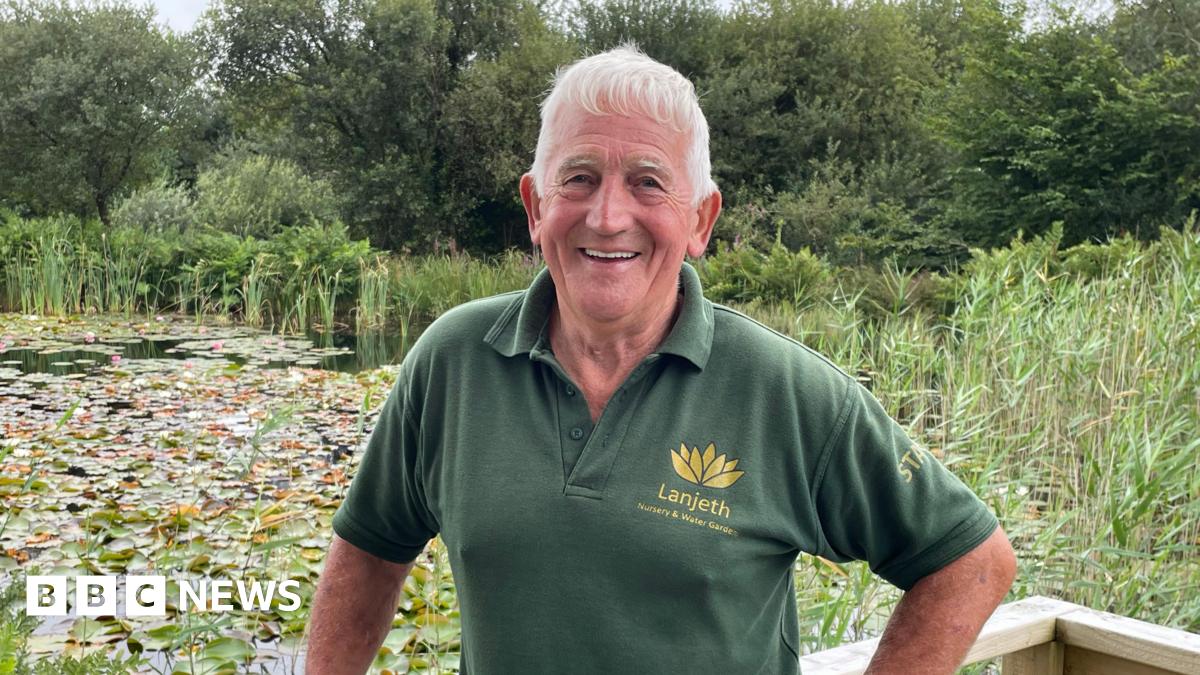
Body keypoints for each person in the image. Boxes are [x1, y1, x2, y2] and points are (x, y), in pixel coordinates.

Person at [306, 46, 1016, 674]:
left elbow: (971, 559)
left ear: (701, 219)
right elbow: (370, 546)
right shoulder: (452, 362)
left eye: (648, 181)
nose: (608, 216)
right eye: (578, 177)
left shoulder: (784, 390)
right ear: (534, 204)